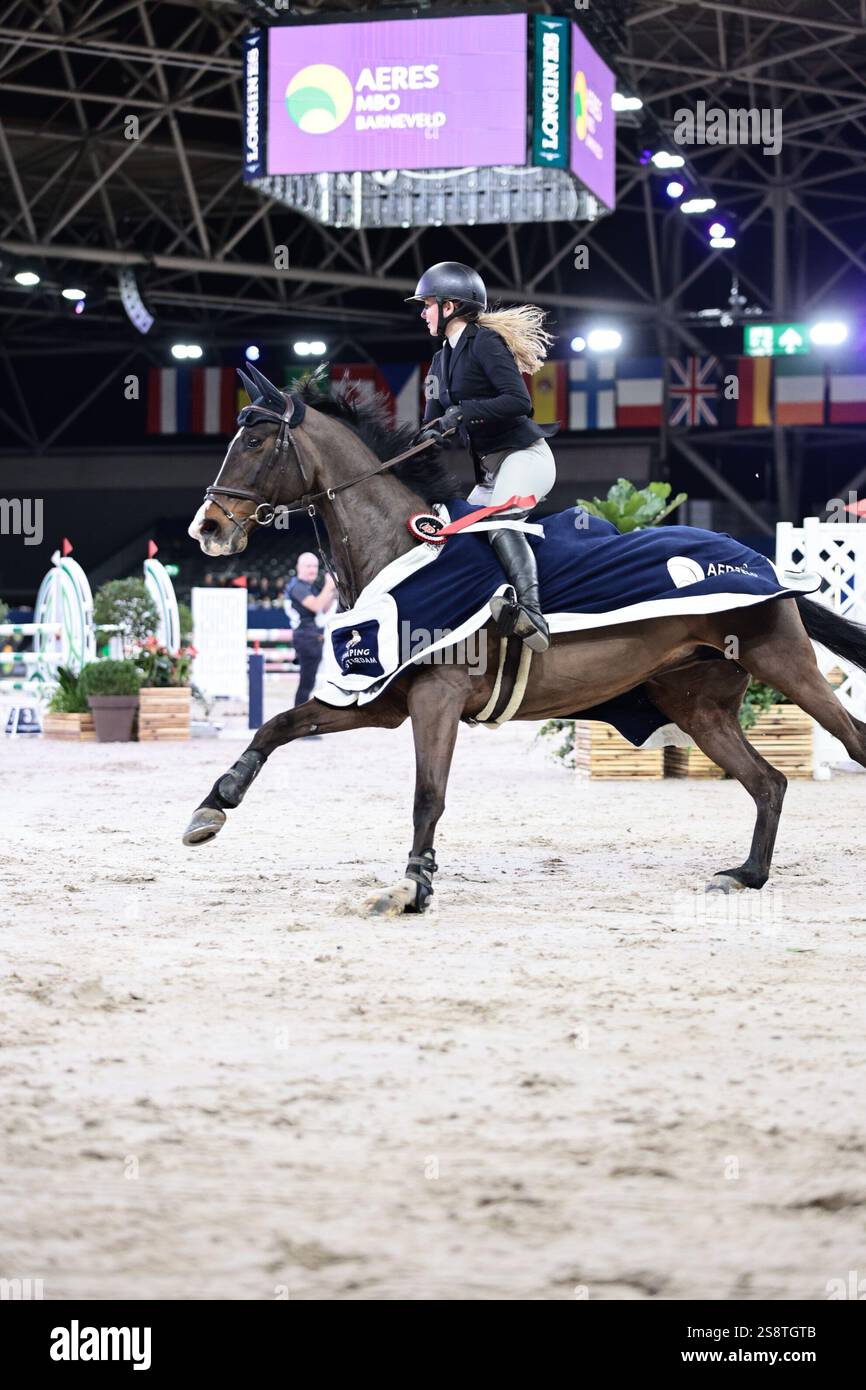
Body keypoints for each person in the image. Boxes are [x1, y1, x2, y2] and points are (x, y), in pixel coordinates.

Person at [405, 260, 559, 652]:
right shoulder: (441, 360)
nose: (422, 313)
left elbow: (518, 401)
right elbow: (433, 419)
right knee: (457, 535)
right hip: (491, 472)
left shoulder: (485, 343)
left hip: (526, 457)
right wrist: (424, 437)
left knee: (499, 523)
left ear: (450, 307)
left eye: (427, 305)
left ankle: (534, 614)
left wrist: (462, 412)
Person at [285, 553, 337, 706]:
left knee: (311, 682)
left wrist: (333, 590)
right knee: (307, 683)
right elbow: (316, 606)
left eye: (315, 566)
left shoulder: (310, 587)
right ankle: (297, 715)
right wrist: (329, 585)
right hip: (306, 638)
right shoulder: (298, 587)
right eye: (309, 566)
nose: (313, 570)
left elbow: (325, 607)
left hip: (313, 637)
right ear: (299, 567)